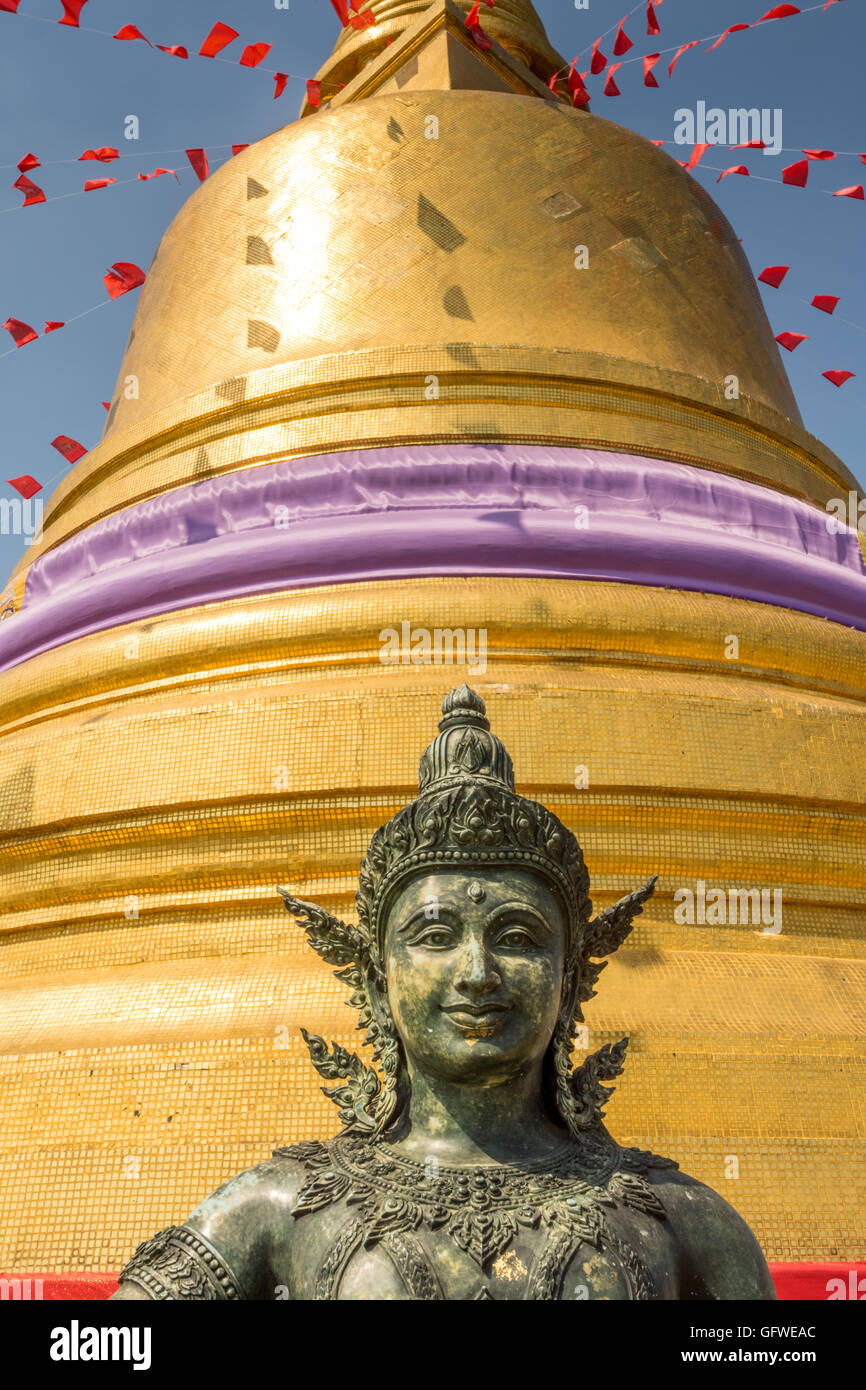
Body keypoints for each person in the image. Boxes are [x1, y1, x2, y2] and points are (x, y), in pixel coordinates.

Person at [112, 685, 775, 1300]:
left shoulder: (681, 1223)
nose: (477, 972)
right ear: (378, 979)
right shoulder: (280, 1209)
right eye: (435, 935)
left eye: (516, 936)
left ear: (571, 977)